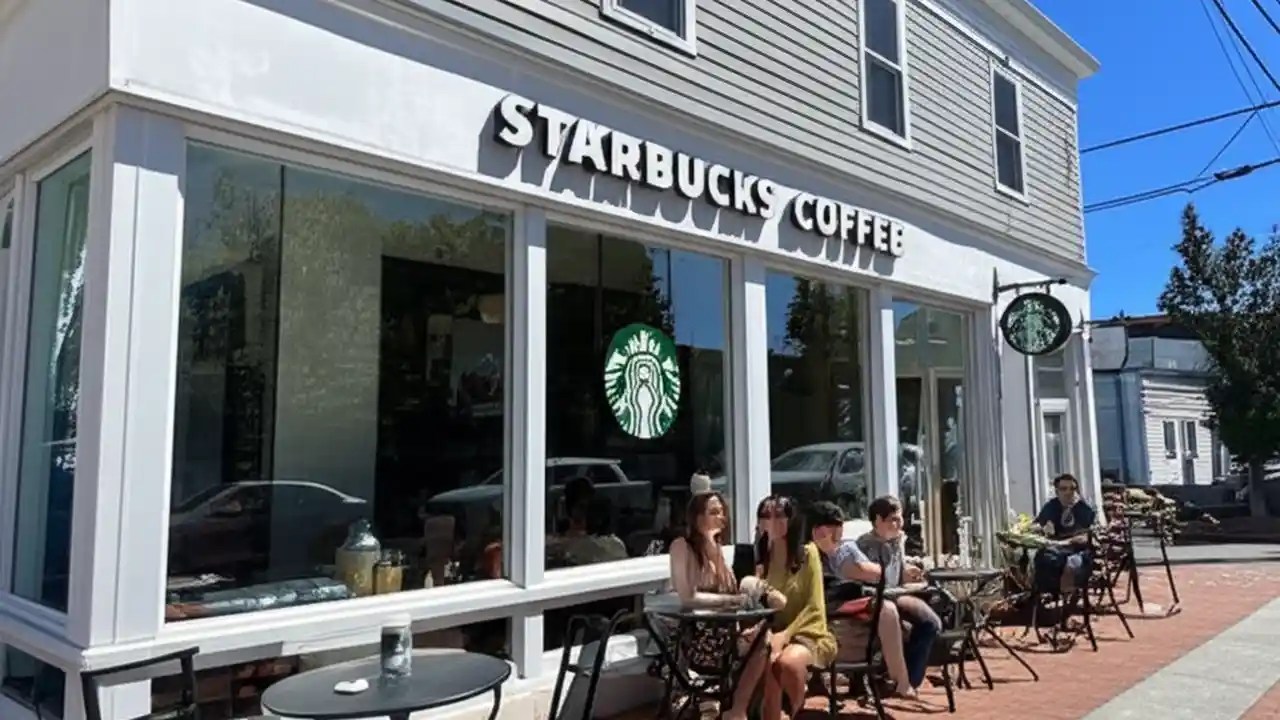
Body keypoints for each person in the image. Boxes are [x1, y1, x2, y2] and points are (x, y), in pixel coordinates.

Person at [668, 491, 770, 720]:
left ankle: (738, 707)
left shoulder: (718, 550)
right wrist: (732, 601)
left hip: (724, 630)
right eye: (714, 512)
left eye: (722, 512)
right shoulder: (681, 547)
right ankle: (732, 708)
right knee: (761, 639)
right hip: (696, 635)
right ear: (696, 517)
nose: (721, 517)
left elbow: (732, 589)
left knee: (765, 635)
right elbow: (688, 596)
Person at [808, 501, 919, 699]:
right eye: (833, 528)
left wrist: (835, 554)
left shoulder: (847, 547)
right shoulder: (808, 552)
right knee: (888, 611)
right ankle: (899, 681)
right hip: (829, 606)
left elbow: (873, 572)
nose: (837, 532)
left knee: (900, 616)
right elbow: (861, 571)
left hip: (850, 599)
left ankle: (894, 680)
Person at [756, 496, 836, 720]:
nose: (772, 520)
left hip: (807, 632)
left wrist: (786, 635)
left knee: (787, 663)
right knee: (767, 660)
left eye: (780, 514)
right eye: (766, 515)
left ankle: (797, 710)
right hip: (770, 632)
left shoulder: (808, 553)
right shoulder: (760, 556)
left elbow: (814, 606)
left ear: (792, 519)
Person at [855, 496, 942, 691]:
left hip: (896, 594)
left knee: (935, 613)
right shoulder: (866, 546)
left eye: (899, 518)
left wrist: (909, 572)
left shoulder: (895, 541)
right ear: (878, 520)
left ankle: (909, 676)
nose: (898, 524)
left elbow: (897, 572)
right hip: (879, 600)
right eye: (892, 519)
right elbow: (869, 581)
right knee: (928, 623)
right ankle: (909, 680)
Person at [1033, 473, 1096, 595]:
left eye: (1072, 488)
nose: (1068, 492)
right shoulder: (1051, 507)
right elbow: (1039, 524)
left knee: (1073, 564)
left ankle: (1067, 590)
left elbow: (1090, 533)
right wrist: (1038, 528)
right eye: (1063, 489)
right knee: (1040, 559)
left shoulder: (1084, 509)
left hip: (1078, 550)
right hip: (1055, 548)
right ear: (1057, 491)